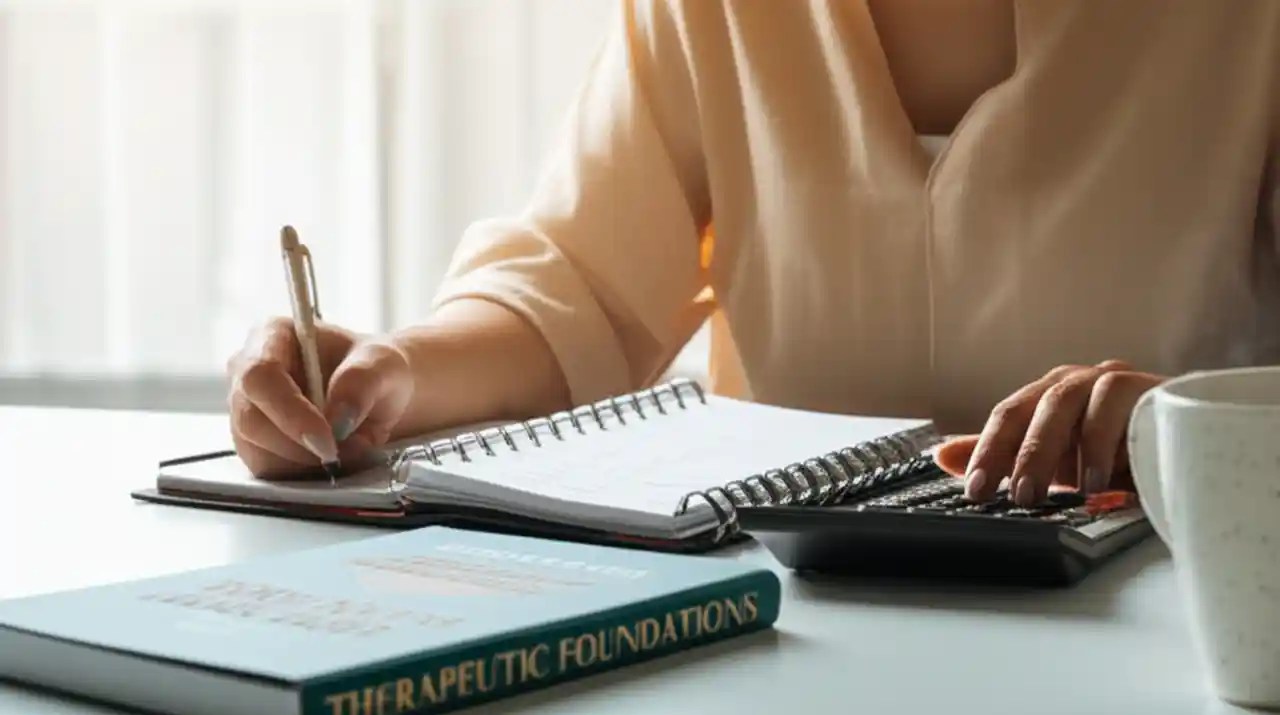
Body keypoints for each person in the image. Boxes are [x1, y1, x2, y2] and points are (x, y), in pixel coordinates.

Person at [226, 0, 1280, 508]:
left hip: (1162, 648)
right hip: (787, 638)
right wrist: (386, 378)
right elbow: (577, 292)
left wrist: (1195, 427)